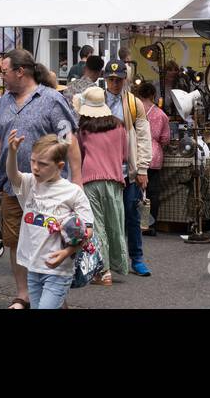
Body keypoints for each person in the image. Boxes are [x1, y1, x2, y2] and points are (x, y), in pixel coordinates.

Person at [0, 48, 82, 309]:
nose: (1, 76)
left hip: (47, 188)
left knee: (48, 239)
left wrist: (78, 180)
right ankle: (23, 294)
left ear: (20, 71)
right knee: (16, 241)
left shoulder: (51, 99)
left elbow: (68, 141)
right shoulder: (4, 101)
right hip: (12, 184)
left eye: (4, 71)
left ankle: (54, 297)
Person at [4, 130, 94, 309]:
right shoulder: (30, 184)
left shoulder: (73, 192)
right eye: (33, 161)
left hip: (58, 270)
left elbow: (88, 231)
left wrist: (66, 253)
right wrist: (12, 152)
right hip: (33, 267)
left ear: (60, 166)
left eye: (43, 164)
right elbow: (13, 175)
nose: (35, 167)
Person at [99, 58, 153, 276]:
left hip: (126, 170)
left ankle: (137, 258)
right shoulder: (94, 100)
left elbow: (143, 136)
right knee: (104, 217)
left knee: (131, 215)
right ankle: (106, 260)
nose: (114, 83)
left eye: (119, 80)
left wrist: (142, 168)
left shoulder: (133, 103)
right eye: (111, 79)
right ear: (105, 79)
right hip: (101, 170)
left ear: (125, 79)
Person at [76, 86, 128, 286]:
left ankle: (103, 271)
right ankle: (118, 265)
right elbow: (124, 155)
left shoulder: (84, 129)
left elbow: (79, 156)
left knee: (96, 226)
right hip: (114, 180)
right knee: (115, 225)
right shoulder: (119, 126)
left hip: (89, 179)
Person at [133, 80, 169, 233]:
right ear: (153, 95)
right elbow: (165, 138)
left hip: (136, 152)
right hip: (154, 155)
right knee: (153, 192)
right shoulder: (161, 115)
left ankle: (134, 223)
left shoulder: (133, 110)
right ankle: (150, 224)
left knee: (134, 191)